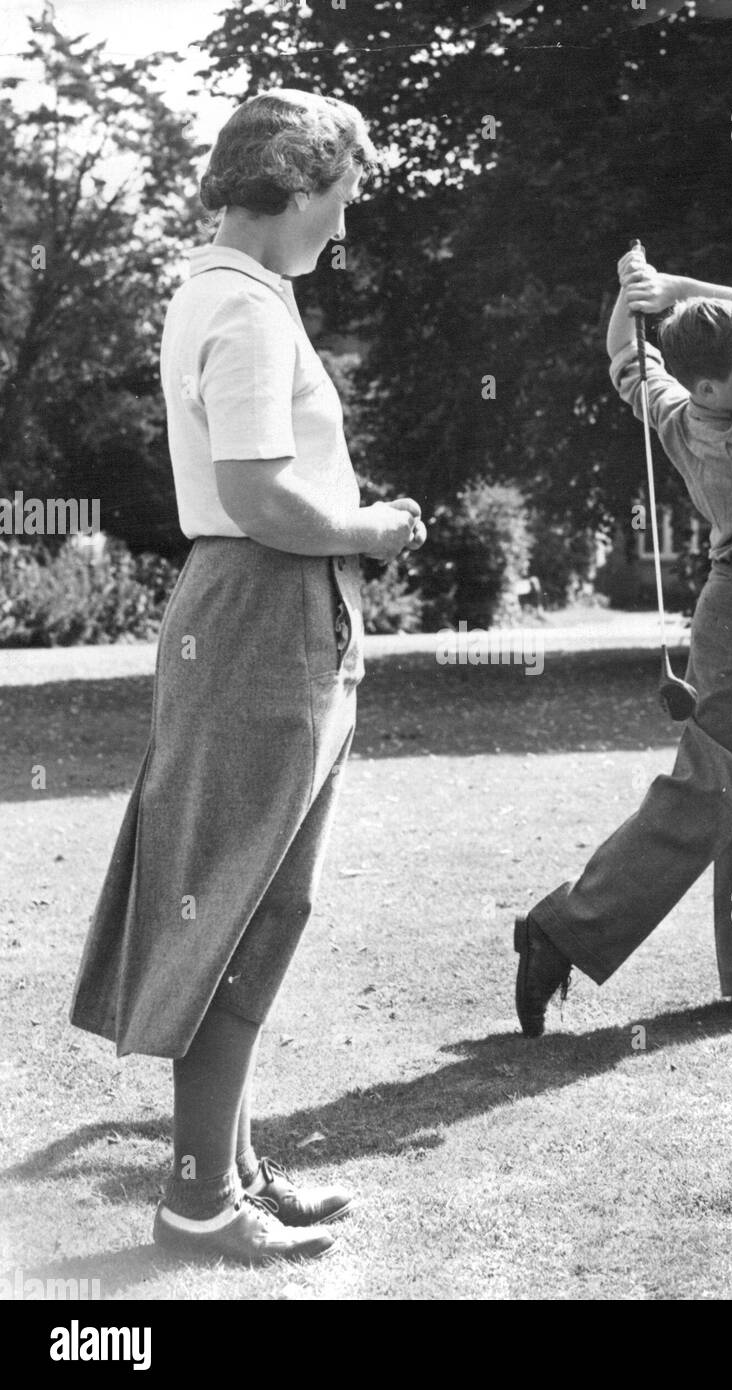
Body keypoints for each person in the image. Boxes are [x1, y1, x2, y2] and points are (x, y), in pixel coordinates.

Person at [70, 90, 425, 1264]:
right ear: (296, 184)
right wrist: (372, 529)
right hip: (261, 609)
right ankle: (195, 1201)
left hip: (270, 612)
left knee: (267, 901)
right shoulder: (247, 310)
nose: (346, 226)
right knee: (235, 904)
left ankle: (229, 1169)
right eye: (343, 199)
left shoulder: (233, 295)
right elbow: (266, 495)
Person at [514, 248, 732, 1036]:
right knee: (711, 787)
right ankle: (564, 928)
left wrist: (630, 294)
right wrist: (677, 287)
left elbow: (626, 354)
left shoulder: (680, 415)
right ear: (713, 386)